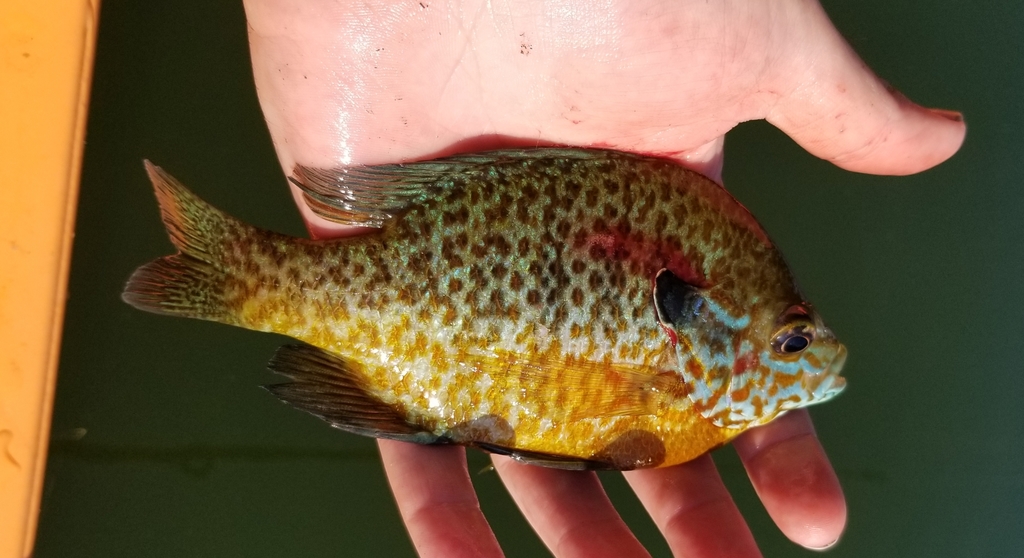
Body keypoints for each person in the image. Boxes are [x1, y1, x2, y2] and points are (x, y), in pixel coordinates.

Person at [242, 1, 965, 556]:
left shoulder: (698, 376)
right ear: (702, 322)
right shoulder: (690, 389)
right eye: (792, 342)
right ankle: (240, 282)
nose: (816, 357)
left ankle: (245, 283)